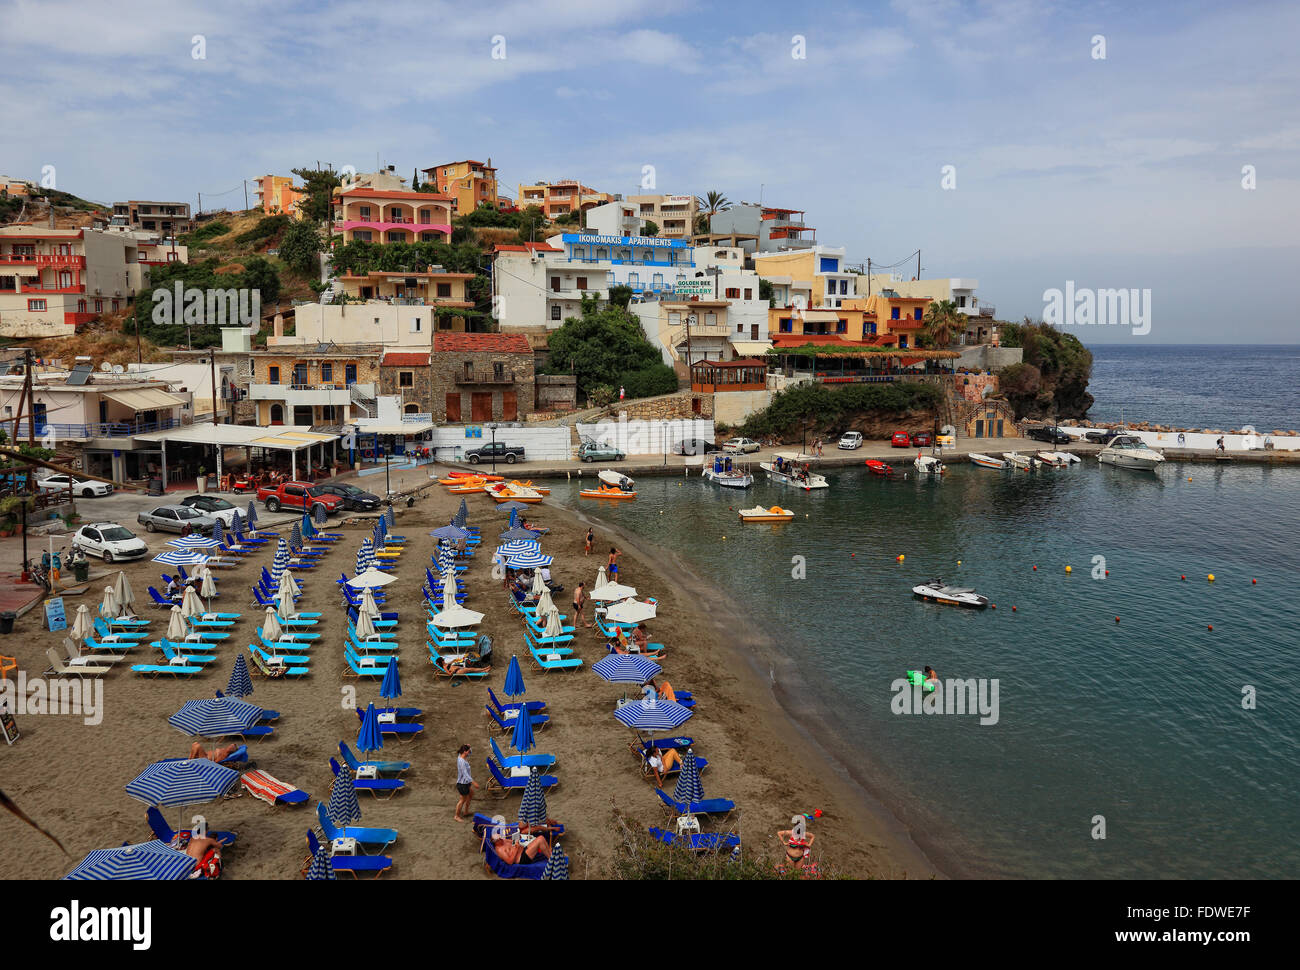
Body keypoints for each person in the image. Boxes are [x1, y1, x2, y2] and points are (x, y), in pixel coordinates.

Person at [454, 744, 478, 822]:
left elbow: (470, 752)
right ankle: (456, 816)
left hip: (466, 783)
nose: (469, 752)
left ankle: (466, 812)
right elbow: (465, 775)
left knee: (471, 795)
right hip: (462, 784)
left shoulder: (461, 756)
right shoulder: (462, 762)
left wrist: (469, 747)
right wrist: (474, 783)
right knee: (462, 800)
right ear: (464, 752)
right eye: (468, 751)